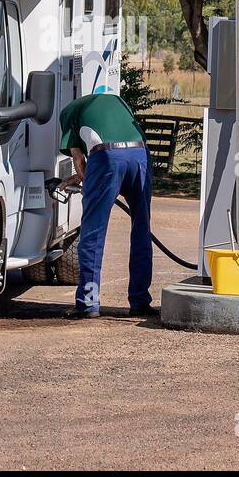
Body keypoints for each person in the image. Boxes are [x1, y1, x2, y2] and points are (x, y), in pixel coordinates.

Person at [58, 92, 157, 319]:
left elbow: (78, 160)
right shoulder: (119, 102)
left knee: (93, 232)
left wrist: (83, 178)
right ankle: (140, 301)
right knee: (142, 229)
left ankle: (88, 303)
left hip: (106, 157)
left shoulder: (68, 113)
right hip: (140, 153)